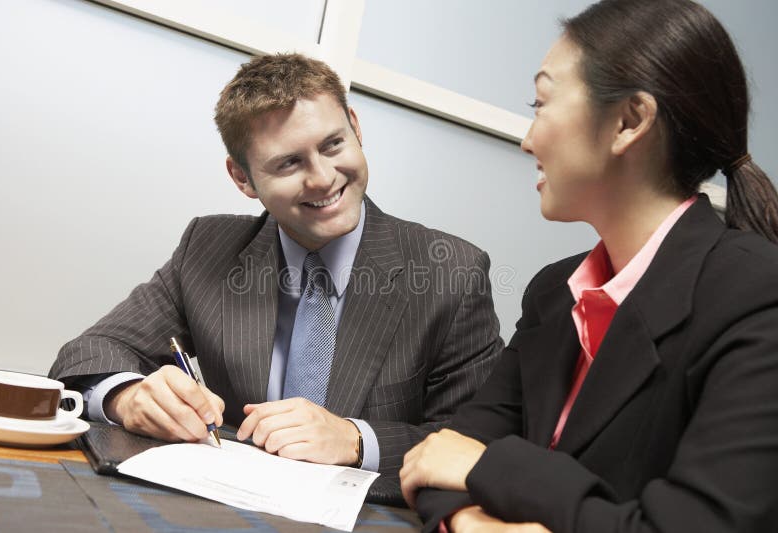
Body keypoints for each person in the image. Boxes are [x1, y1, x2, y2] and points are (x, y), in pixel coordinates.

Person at [399, 0, 778, 531]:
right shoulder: (553, 293)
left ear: (628, 121)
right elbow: (440, 459)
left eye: (540, 103)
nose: (527, 139)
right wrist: (474, 522)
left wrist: (494, 470)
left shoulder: (755, 296)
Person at [49, 54, 503, 484]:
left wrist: (355, 440)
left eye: (333, 144)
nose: (323, 178)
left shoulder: (452, 274)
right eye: (289, 162)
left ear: (356, 128)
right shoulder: (209, 247)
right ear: (242, 178)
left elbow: (480, 446)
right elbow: (88, 352)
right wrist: (127, 397)